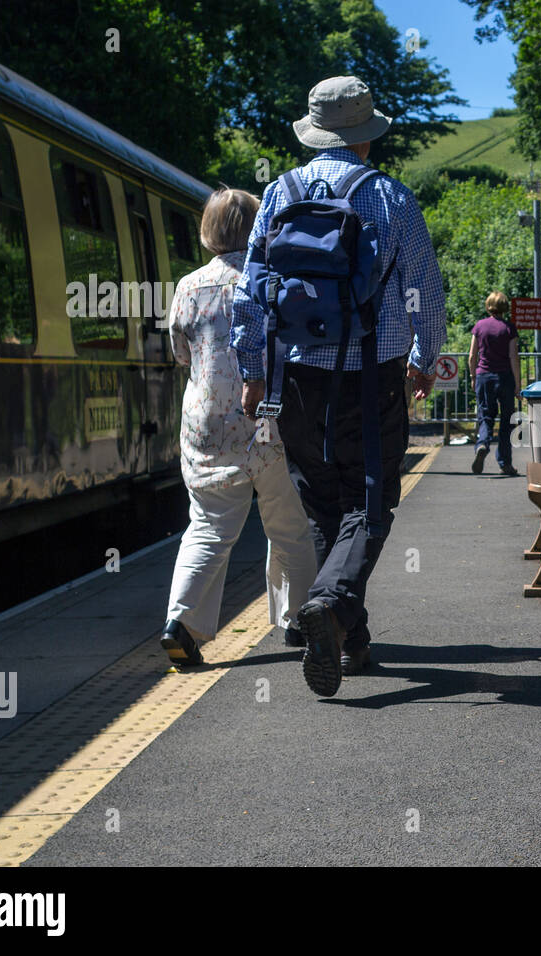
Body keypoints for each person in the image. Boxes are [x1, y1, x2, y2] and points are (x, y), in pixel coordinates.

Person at [232, 76, 446, 697]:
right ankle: (330, 606)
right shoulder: (392, 199)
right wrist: (423, 358)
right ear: (366, 140)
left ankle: (352, 638)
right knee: (370, 502)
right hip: (368, 377)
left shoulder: (278, 193)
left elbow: (250, 296)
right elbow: (423, 291)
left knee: (323, 501)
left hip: (297, 379)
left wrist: (253, 372)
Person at [161, 188, 320, 666]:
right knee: (290, 526)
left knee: (207, 526)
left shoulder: (188, 286)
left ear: (207, 230)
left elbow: (181, 353)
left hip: (206, 422)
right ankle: (301, 621)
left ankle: (180, 625)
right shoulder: (271, 281)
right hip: (268, 420)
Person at [468, 291, 522, 477]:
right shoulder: (509, 328)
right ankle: (505, 463)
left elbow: (472, 356)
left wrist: (473, 377)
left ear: (488, 305)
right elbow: (513, 357)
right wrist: (517, 384)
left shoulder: (479, 327)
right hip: (504, 377)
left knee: (485, 415)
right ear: (505, 307)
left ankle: (483, 443)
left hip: (484, 376)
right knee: (507, 421)